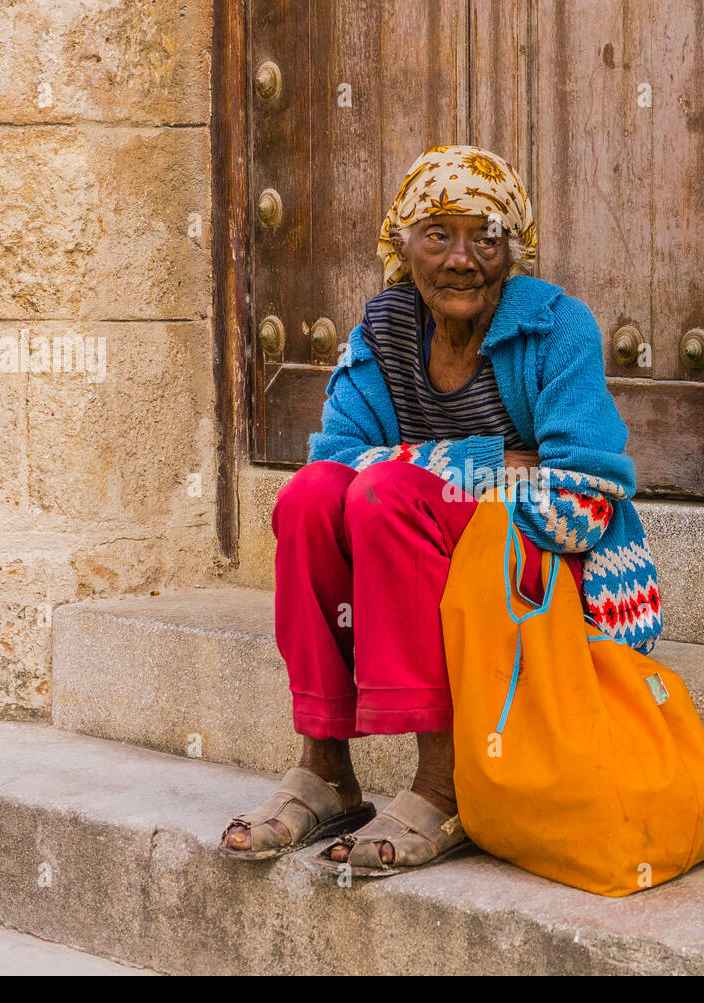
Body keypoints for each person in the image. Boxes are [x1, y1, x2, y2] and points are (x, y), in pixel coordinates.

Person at [219, 145, 663, 875]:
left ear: (511, 250)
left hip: (554, 586)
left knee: (384, 494)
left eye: (484, 237)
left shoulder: (559, 328)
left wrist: (422, 482)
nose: (462, 259)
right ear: (402, 245)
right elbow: (329, 464)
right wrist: (480, 463)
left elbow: (583, 500)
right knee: (309, 500)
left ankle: (444, 778)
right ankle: (325, 768)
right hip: (434, 557)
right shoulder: (383, 336)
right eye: (438, 235)